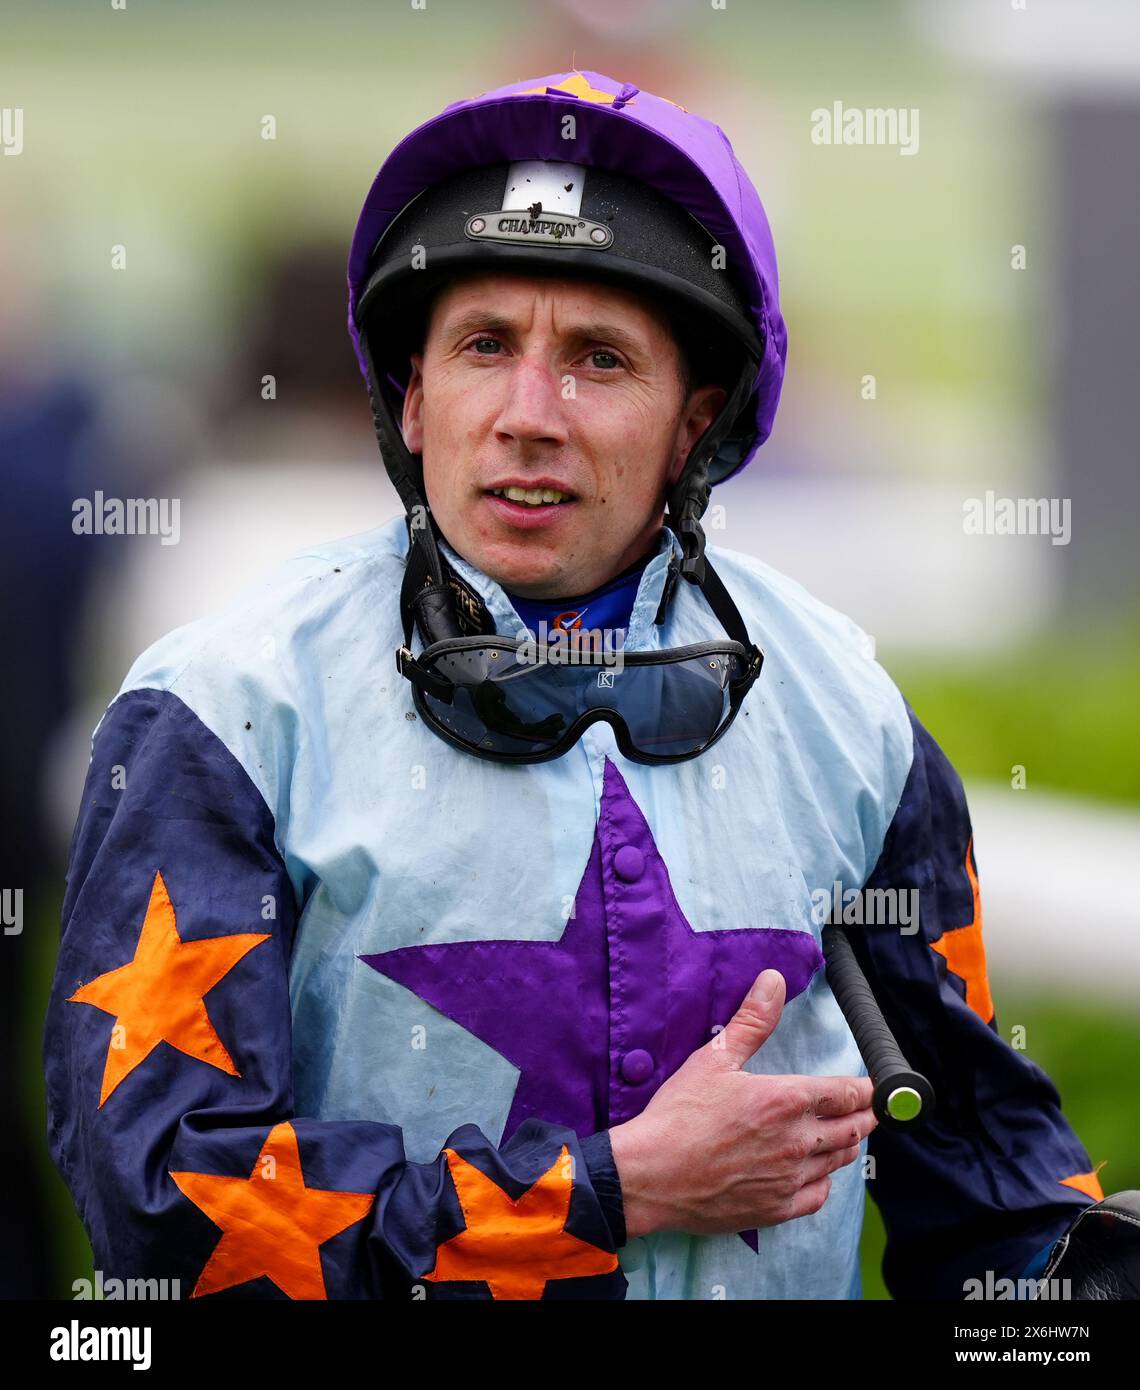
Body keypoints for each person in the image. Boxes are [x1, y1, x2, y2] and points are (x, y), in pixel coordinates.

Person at [44, 69, 1111, 1301]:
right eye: (484, 346)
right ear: (413, 394)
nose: (527, 416)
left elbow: (991, 1192)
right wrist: (614, 1190)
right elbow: (166, 1212)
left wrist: (1078, 1280)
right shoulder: (220, 714)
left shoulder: (849, 713)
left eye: (599, 360)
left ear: (695, 421)